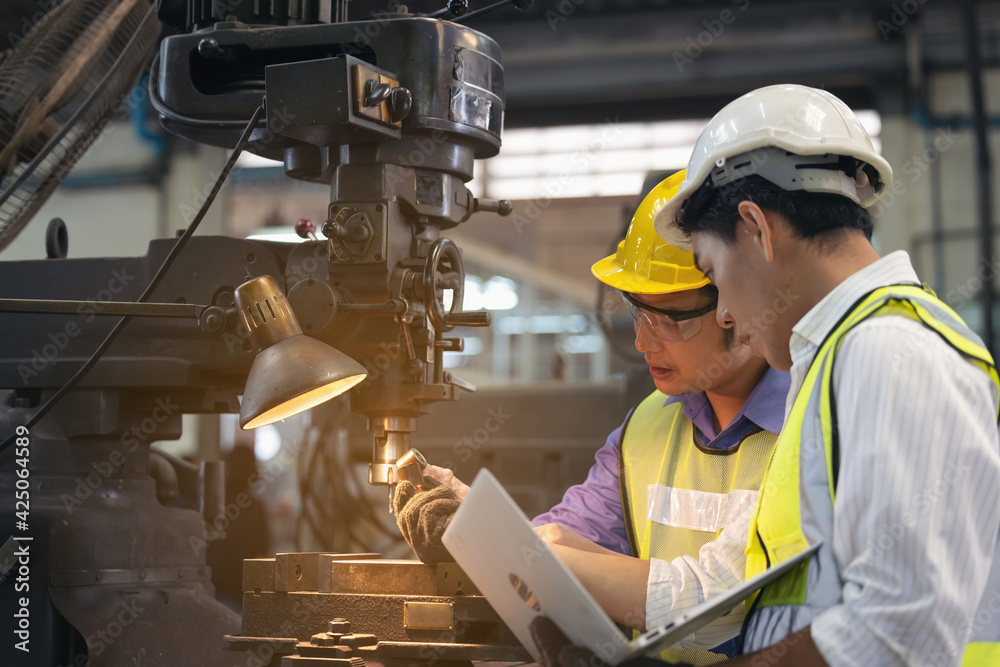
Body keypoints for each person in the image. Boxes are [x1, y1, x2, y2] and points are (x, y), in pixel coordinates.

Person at [655, 83, 1000, 666]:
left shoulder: (890, 352)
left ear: (757, 228)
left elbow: (895, 635)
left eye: (715, 274)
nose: (724, 314)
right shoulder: (836, 359)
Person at [402, 170, 790, 665]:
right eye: (637, 312)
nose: (642, 342)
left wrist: (542, 555)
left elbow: (721, 600)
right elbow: (563, 539)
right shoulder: (646, 427)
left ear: (737, 299)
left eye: (668, 319)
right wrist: (472, 521)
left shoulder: (809, 424)